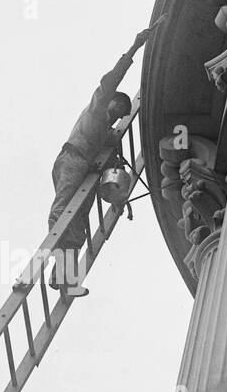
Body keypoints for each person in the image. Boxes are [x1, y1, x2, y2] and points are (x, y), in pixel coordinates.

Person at [43, 18, 165, 297]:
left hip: (84, 166)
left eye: (123, 112)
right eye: (119, 107)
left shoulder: (105, 133)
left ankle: (62, 278)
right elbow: (111, 80)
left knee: (78, 230)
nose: (120, 113)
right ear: (109, 102)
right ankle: (59, 269)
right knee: (62, 214)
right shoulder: (97, 110)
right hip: (72, 160)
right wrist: (135, 47)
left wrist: (120, 200)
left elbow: (115, 156)